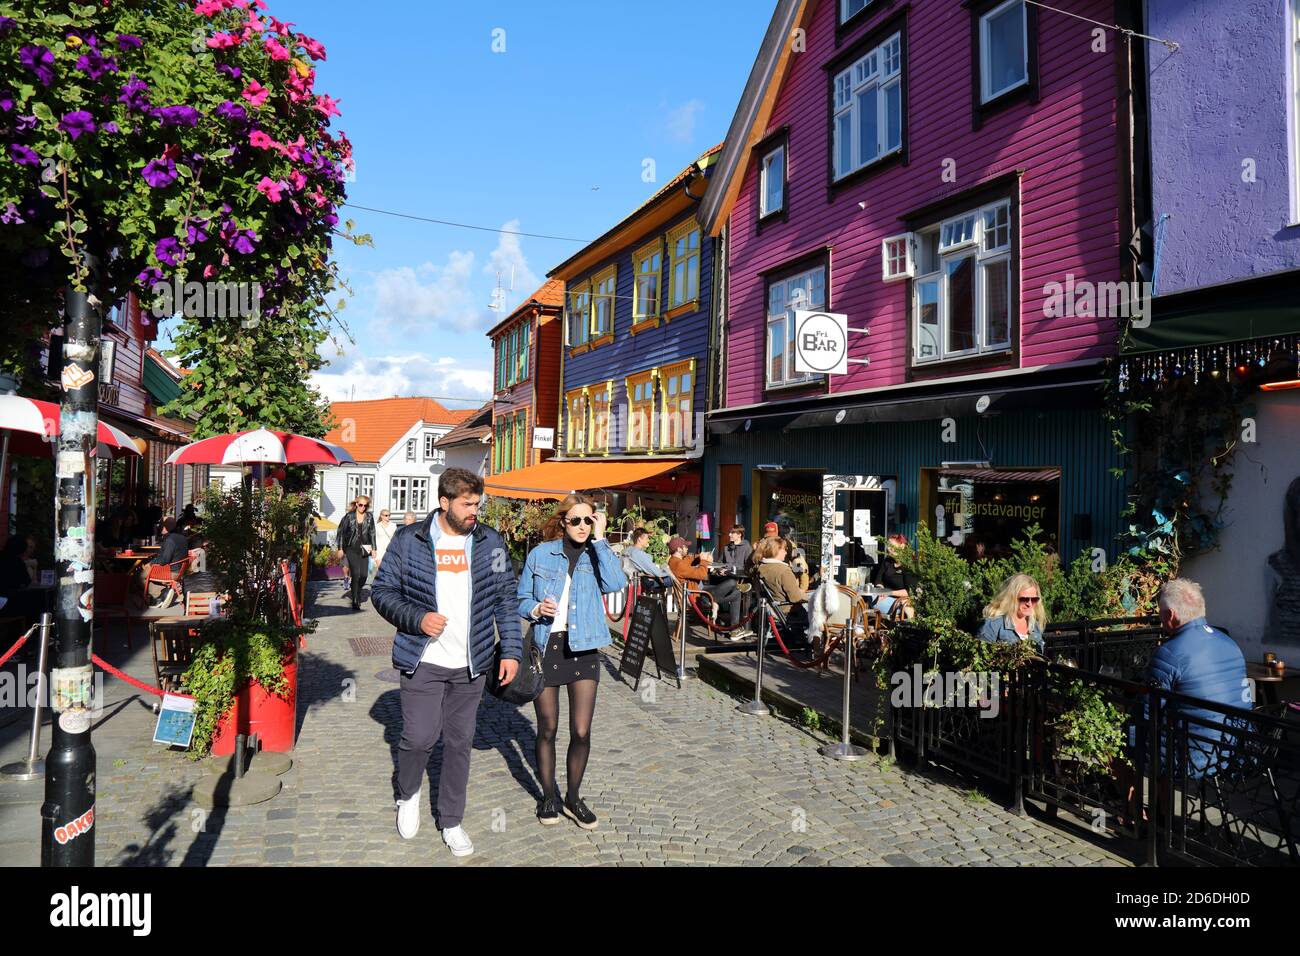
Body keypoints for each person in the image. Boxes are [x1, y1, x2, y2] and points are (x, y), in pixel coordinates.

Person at [372, 468, 521, 857]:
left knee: (459, 742)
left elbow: (506, 597)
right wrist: (416, 618)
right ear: (444, 502)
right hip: (423, 658)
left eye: (478, 503)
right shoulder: (410, 540)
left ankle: (452, 820)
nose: (475, 510)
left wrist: (511, 650)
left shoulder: (490, 543)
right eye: (467, 504)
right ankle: (408, 795)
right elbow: (383, 591)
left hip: (471, 664)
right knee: (419, 737)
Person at [519, 494, 627, 829]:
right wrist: (535, 609)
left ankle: (574, 797)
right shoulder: (540, 554)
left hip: (585, 648)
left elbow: (616, 584)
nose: (582, 526)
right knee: (548, 728)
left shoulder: (598, 554)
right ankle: (548, 796)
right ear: (563, 522)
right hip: (547, 645)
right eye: (576, 520)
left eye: (588, 520)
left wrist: (601, 540)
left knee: (581, 730)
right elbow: (520, 598)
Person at [1146, 578, 1248, 775]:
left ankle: (1136, 806)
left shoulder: (1170, 653)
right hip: (1237, 751)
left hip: (1196, 758)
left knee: (1124, 740)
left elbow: (1147, 710)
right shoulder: (1229, 642)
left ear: (1170, 615)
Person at [667, 536, 748, 638]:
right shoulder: (679, 564)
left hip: (696, 592)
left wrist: (700, 556)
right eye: (685, 547)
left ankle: (734, 630)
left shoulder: (674, 561)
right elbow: (701, 574)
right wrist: (705, 562)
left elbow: (688, 560)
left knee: (736, 593)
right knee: (731, 582)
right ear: (679, 549)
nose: (687, 548)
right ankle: (731, 590)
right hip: (697, 598)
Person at [977, 573, 1045, 651]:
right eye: (1024, 599)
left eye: (1033, 599)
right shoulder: (992, 625)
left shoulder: (1036, 627)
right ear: (1011, 598)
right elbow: (981, 658)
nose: (1029, 604)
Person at [336, 495, 376, 611]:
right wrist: (340, 548)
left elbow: (372, 533)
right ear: (356, 504)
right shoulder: (349, 517)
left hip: (366, 547)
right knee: (356, 573)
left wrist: (374, 549)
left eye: (365, 505)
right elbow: (341, 533)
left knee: (364, 575)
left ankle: (357, 591)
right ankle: (355, 600)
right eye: (360, 505)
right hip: (351, 548)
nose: (362, 507)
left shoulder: (369, 517)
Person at [147, 516, 191, 608]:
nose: (159, 528)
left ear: (164, 528)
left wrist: (151, 563)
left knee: (140, 576)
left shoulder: (170, 540)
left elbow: (164, 560)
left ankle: (161, 593)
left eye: (161, 526)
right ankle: (162, 592)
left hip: (171, 572)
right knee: (147, 572)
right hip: (180, 571)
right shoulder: (182, 537)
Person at [870, 534, 916, 621]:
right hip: (885, 597)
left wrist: (889, 593)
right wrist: (881, 590)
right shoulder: (887, 562)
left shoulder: (909, 565)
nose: (888, 549)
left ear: (902, 546)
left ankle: (910, 626)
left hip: (901, 600)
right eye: (888, 546)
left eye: (891, 546)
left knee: (905, 602)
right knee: (867, 596)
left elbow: (909, 591)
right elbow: (878, 580)